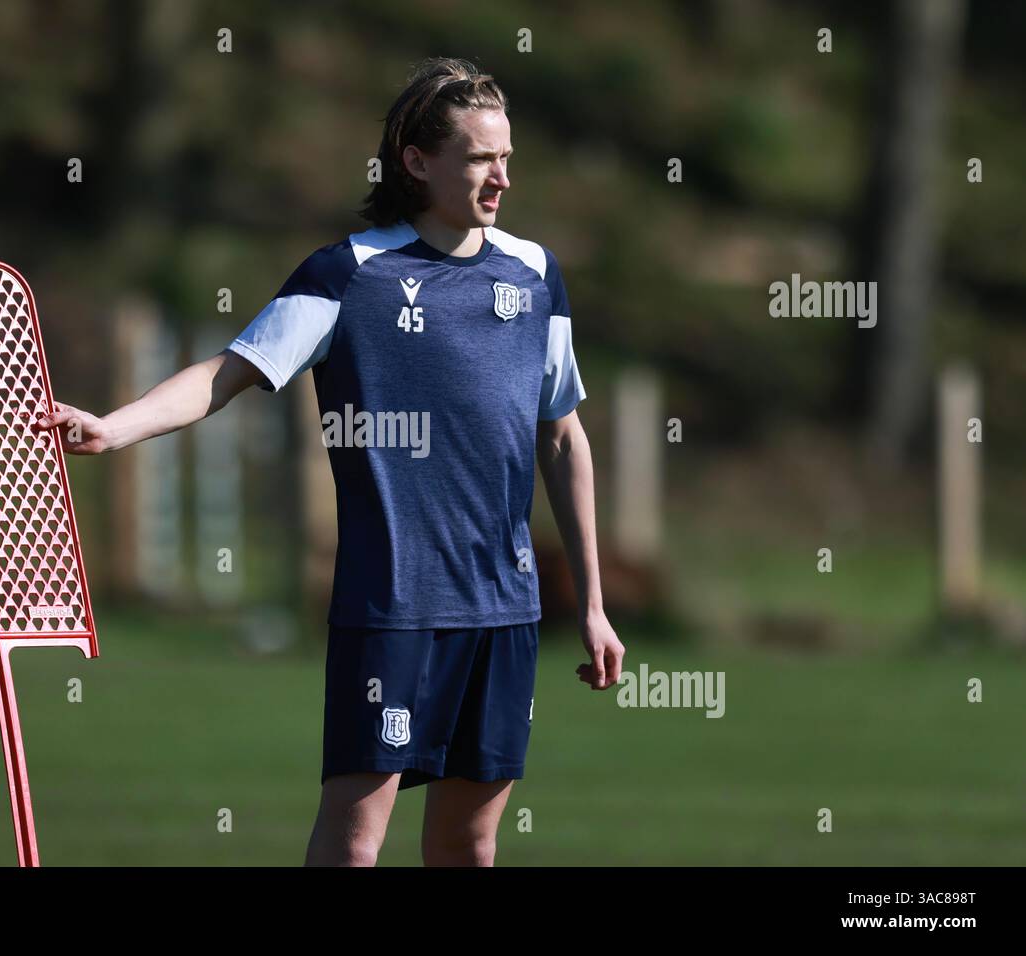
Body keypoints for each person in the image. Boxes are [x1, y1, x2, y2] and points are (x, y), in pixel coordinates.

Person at [33, 56, 624, 866]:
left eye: (508, 158)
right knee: (354, 843)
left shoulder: (534, 275)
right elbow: (228, 371)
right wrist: (116, 427)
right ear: (418, 161)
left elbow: (562, 435)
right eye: (483, 158)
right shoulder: (348, 275)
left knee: (473, 844)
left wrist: (592, 603)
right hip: (392, 608)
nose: (502, 178)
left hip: (504, 609)